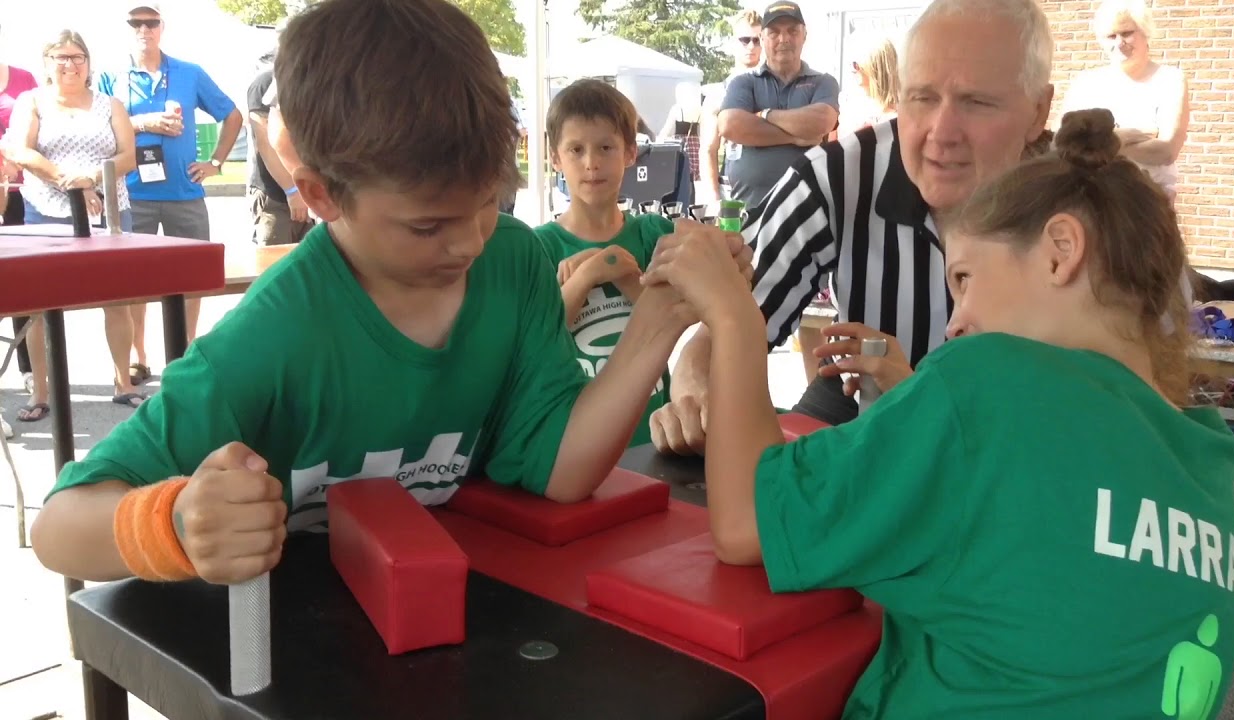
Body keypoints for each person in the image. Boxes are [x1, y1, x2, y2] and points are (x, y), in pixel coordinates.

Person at [29, 0, 749, 586]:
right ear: (321, 195)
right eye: (428, 224)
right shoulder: (274, 334)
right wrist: (178, 521)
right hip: (286, 660)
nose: (468, 241)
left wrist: (655, 323)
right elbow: (59, 526)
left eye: (484, 203)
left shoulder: (515, 262)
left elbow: (559, 470)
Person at [642, 107, 1234, 720]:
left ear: (1061, 251)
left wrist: (734, 314)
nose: (955, 321)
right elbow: (1040, 531)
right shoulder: (1205, 454)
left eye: (963, 279)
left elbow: (745, 524)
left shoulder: (985, 383)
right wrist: (910, 389)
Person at [651, 0, 1055, 453]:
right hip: (866, 411)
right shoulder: (836, 178)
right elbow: (731, 319)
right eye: (921, 97)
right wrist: (693, 388)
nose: (942, 132)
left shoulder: (1086, 209)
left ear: (1039, 111)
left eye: (977, 102)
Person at [98, 2, 244, 380]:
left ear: (163, 26)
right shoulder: (110, 76)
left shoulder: (189, 73)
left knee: (191, 277)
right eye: (135, 23)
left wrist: (215, 163)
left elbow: (232, 115)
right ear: (127, 28)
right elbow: (97, 128)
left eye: (151, 22)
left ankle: (186, 351)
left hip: (185, 193)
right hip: (132, 194)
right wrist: (143, 121)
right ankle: (138, 355)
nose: (143, 29)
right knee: (133, 282)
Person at [3, 29, 140, 421]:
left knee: (118, 301)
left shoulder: (109, 105)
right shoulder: (33, 102)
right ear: (47, 64)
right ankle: (41, 392)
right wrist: (66, 177)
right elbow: (19, 149)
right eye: (61, 57)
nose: (70, 64)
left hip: (109, 213)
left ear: (88, 63)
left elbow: (127, 154)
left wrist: (91, 180)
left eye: (77, 56)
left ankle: (124, 383)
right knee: (39, 307)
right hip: (45, 213)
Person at [535, 79, 675, 448]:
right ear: (555, 156)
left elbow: (673, 321)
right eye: (576, 149)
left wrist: (626, 274)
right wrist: (586, 278)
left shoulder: (652, 234)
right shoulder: (541, 246)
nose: (591, 163)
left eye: (605, 147)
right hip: (579, 436)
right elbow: (539, 342)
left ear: (630, 153)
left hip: (653, 428)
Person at [717, 1, 839, 210]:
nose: (784, 39)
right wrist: (796, 136)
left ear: (804, 35)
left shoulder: (823, 82)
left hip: (808, 214)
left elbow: (822, 121)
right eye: (774, 32)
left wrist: (764, 114)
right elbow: (730, 125)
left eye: (792, 31)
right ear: (763, 38)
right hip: (750, 212)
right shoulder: (744, 83)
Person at [1062, 0, 1188, 200]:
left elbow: (1166, 151)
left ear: (1145, 32)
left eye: (1127, 33)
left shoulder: (1169, 80)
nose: (1119, 43)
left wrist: (1097, 144)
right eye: (1111, 36)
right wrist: (1124, 137)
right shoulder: (1085, 83)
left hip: (1148, 200)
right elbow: (1062, 144)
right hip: (1090, 198)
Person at [0, 51, 39, 409]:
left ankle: (30, 370)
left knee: (19, 286)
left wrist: (14, 158)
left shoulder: (24, 80)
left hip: (16, 193)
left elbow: (37, 133)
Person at [701, 9, 762, 203]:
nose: (751, 46)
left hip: (771, 189)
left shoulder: (776, 88)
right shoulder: (719, 93)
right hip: (732, 190)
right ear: (734, 43)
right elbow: (708, 150)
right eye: (745, 40)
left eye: (757, 39)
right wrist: (713, 200)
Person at [246, 65, 312, 245]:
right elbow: (266, 145)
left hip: (311, 195)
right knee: (274, 262)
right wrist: (292, 191)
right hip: (275, 197)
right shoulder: (265, 83)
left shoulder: (314, 82)